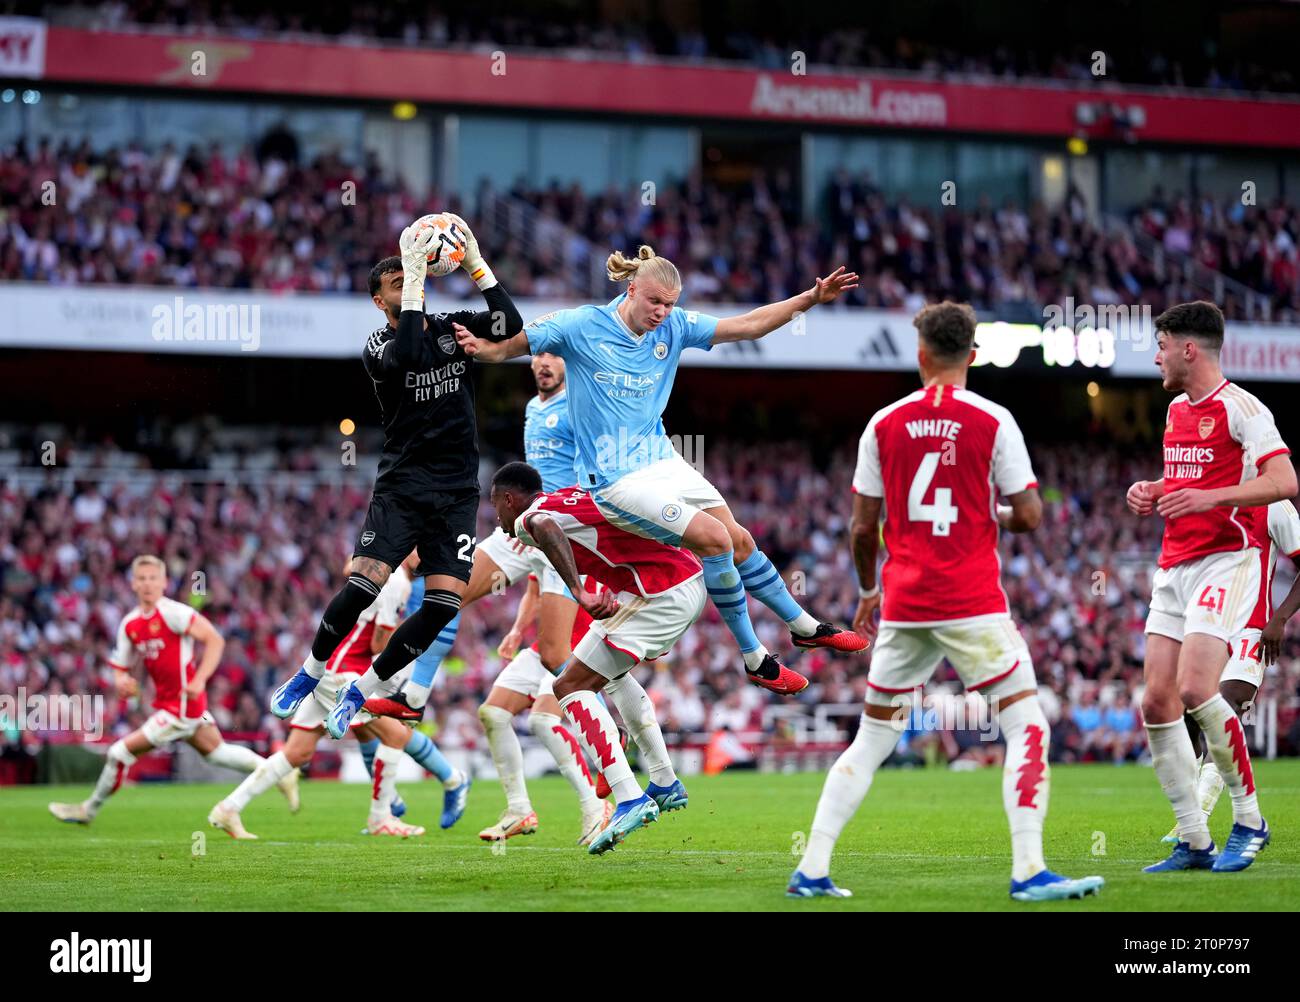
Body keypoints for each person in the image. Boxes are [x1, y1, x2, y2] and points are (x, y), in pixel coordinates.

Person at [787, 302, 1104, 902]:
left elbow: (861, 528)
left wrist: (867, 591)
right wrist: (997, 513)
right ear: (974, 355)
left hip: (905, 603)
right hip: (972, 601)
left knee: (872, 739)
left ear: (921, 355)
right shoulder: (993, 420)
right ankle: (1030, 868)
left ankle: (812, 867)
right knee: (1027, 724)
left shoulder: (882, 423)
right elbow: (1032, 515)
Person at [454, 245, 866, 696]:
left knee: (740, 538)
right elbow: (509, 347)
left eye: (670, 304)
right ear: (631, 290)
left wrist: (808, 298)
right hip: (614, 479)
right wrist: (484, 351)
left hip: (660, 459)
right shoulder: (580, 325)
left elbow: (747, 325)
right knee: (715, 540)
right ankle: (754, 658)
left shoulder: (674, 326)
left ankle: (804, 626)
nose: (662, 312)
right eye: (655, 302)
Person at [268, 216, 521, 735]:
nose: (409, 285)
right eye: (397, 284)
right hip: (403, 486)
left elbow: (509, 325)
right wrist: (410, 271)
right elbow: (407, 355)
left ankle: (365, 688)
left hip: (455, 491)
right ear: (381, 302)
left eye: (411, 277)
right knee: (366, 585)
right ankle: (310, 673)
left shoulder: (454, 328)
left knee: (444, 603)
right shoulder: (378, 347)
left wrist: (476, 265)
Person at [1128, 303, 1297, 871]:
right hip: (1173, 564)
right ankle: (1194, 839)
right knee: (1156, 700)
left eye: (1162, 345)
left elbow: (1284, 480)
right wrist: (1153, 489)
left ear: (1188, 349)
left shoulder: (1243, 408)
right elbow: (1185, 483)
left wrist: (1213, 497)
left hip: (1226, 561)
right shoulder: (1177, 410)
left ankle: (1251, 821)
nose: (1156, 356)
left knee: (1200, 690)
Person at [489, 461, 701, 854]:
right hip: (679, 578)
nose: (496, 517)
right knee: (610, 676)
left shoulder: (530, 518)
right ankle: (665, 780)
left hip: (663, 590)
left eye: (495, 506)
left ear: (508, 499)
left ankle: (628, 798)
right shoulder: (568, 496)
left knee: (568, 686)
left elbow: (546, 529)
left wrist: (579, 592)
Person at [209, 554, 468, 839]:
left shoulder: (380, 570)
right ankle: (383, 816)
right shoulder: (397, 583)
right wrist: (405, 639)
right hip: (343, 675)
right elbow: (378, 643)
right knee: (396, 734)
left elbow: (349, 566)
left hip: (327, 667)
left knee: (298, 753)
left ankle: (229, 808)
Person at [49, 555, 298, 827]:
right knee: (218, 753)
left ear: (164, 582)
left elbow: (214, 639)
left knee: (118, 753)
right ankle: (279, 771)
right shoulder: (130, 624)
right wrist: (121, 680)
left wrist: (200, 678)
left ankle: (89, 810)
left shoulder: (174, 613)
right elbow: (120, 666)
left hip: (180, 706)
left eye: (153, 578)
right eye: (141, 579)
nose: (147, 584)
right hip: (173, 704)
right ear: (133, 583)